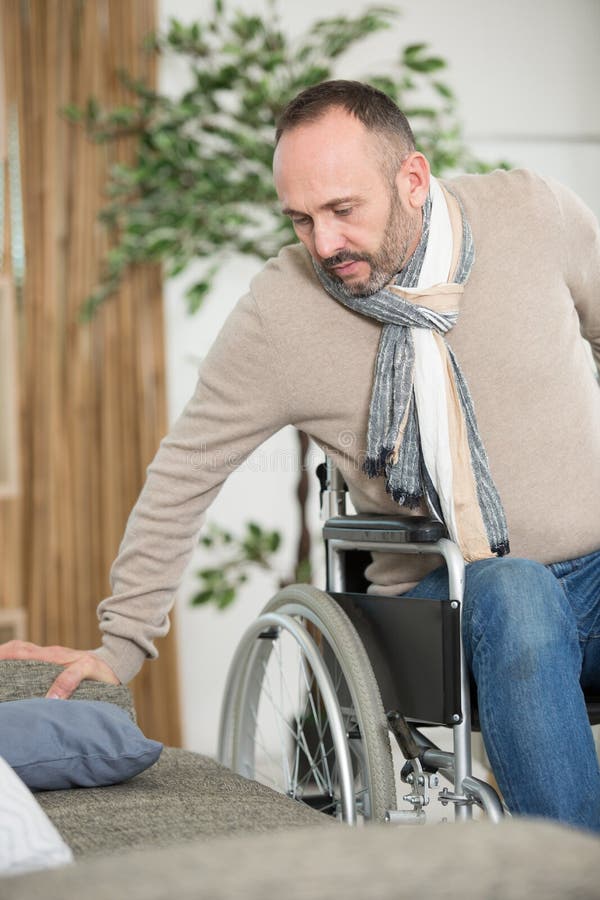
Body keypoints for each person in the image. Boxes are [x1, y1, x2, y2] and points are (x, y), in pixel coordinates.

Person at [1, 80, 599, 832]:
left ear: (413, 180)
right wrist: (119, 645)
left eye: (343, 210)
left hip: (594, 578)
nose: (323, 244)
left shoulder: (534, 215)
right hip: (442, 607)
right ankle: (573, 871)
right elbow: (185, 472)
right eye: (301, 218)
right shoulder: (282, 311)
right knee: (516, 589)